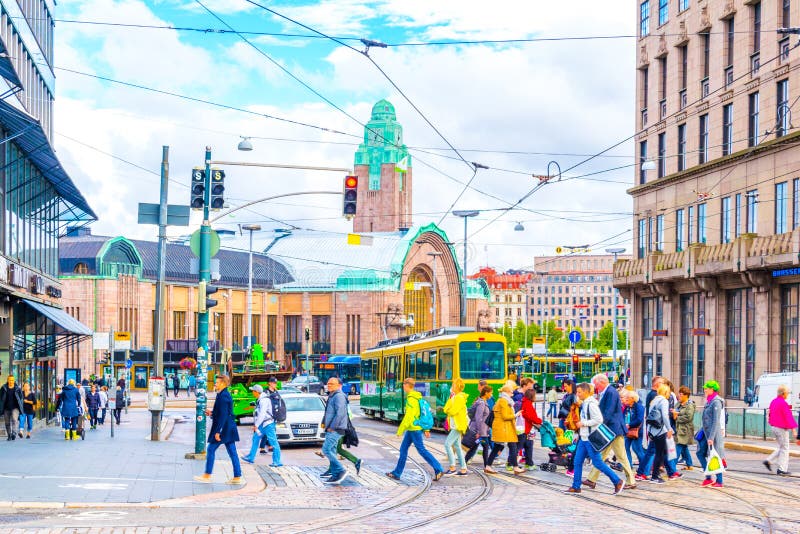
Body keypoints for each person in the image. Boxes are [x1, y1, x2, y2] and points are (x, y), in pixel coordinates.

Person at [564, 382, 624, 495]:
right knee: (577, 461)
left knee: (598, 463)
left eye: (579, 392)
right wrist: (580, 434)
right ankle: (576, 486)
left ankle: (617, 481)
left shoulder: (591, 404)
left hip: (590, 439)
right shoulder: (585, 403)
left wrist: (583, 424)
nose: (577, 394)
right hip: (584, 438)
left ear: (586, 392)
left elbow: (599, 419)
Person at [583, 374, 636, 490]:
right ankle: (591, 479)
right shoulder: (607, 392)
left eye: (596, 384)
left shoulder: (611, 392)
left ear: (602, 382)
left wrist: (599, 425)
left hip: (614, 430)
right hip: (610, 430)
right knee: (601, 456)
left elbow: (608, 412)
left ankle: (631, 481)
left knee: (621, 456)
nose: (596, 387)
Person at [386, 378, 444, 481]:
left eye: (404, 384)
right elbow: (421, 414)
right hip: (412, 429)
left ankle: (438, 468)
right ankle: (397, 473)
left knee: (421, 450)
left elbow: (409, 417)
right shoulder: (416, 397)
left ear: (408, 385)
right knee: (403, 449)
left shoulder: (411, 399)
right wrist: (426, 429)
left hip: (414, 429)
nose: (403, 386)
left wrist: (400, 430)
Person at [194, 375, 243, 485]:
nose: (215, 384)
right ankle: (237, 476)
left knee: (211, 449)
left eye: (217, 382)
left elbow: (224, 416)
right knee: (232, 452)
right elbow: (221, 413)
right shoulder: (222, 394)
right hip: (228, 428)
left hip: (224, 429)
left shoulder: (223, 396)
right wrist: (212, 413)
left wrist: (218, 432)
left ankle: (207, 475)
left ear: (223, 384)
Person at [641, 384, 678, 484]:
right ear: (666, 392)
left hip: (653, 430)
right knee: (659, 454)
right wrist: (669, 429)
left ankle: (666, 472)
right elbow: (665, 416)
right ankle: (655, 476)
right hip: (660, 431)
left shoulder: (654, 400)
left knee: (661, 452)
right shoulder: (664, 401)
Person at [487, 382, 524, 474]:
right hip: (503, 428)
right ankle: (515, 467)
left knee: (499, 446)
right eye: (511, 392)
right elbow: (505, 416)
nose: (512, 394)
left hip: (504, 427)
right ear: (507, 392)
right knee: (511, 445)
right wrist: (516, 415)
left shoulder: (504, 400)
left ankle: (488, 466)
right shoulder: (503, 401)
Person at [241, 384, 282, 467]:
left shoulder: (264, 400)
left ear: (256, 392)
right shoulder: (260, 399)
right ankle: (251, 457)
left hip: (268, 424)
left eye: (253, 391)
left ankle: (277, 461)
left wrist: (256, 425)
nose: (252, 392)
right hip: (263, 424)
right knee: (255, 438)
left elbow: (262, 414)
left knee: (273, 442)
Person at [696, 380, 725, 487]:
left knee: (715, 456)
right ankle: (708, 477)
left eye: (706, 388)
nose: (705, 390)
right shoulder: (709, 401)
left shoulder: (716, 402)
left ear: (712, 389)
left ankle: (719, 481)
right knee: (700, 453)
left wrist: (711, 437)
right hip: (705, 432)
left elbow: (715, 421)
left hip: (712, 434)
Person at [763, 384, 797, 476]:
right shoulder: (783, 403)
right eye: (787, 393)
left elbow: (769, 414)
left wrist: (771, 423)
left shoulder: (773, 401)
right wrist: (794, 430)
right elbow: (788, 416)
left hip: (774, 427)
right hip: (781, 428)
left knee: (782, 447)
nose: (788, 395)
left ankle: (768, 461)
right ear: (783, 393)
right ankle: (781, 469)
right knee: (785, 448)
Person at [321, 377, 349, 484]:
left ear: (338, 385)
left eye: (332, 384)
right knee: (331, 450)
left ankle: (341, 470)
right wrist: (324, 422)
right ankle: (335, 475)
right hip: (331, 428)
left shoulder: (339, 396)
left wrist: (332, 427)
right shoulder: (332, 395)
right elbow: (329, 412)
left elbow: (340, 414)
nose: (329, 385)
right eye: (328, 383)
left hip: (336, 429)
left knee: (326, 450)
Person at [464, 386, 494, 473]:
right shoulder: (481, 403)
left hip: (482, 430)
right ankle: (486, 466)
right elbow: (478, 418)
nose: (491, 395)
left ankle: (464, 464)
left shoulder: (483, 402)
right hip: (480, 431)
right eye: (490, 393)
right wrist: (478, 432)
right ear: (486, 393)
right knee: (484, 447)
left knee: (475, 448)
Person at [443, 378, 469, 475]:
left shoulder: (459, 398)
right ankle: (463, 468)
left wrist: (448, 411)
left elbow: (452, 411)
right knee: (457, 446)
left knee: (447, 444)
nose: (452, 387)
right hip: (455, 425)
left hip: (458, 425)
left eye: (453, 385)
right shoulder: (454, 397)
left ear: (457, 387)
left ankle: (452, 467)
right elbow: (446, 407)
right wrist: (448, 409)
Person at [673, 386, 696, 470]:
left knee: (678, 447)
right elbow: (674, 411)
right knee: (684, 447)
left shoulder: (690, 405)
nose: (679, 396)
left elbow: (689, 417)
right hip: (678, 428)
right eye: (679, 394)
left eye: (681, 394)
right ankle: (690, 464)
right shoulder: (678, 403)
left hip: (685, 430)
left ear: (686, 395)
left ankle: (672, 467)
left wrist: (677, 417)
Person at [621, 389, 645, 467]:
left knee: (637, 449)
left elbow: (639, 419)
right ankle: (628, 465)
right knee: (625, 447)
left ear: (633, 398)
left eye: (628, 397)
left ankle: (644, 466)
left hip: (636, 431)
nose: (626, 398)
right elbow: (623, 416)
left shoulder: (639, 407)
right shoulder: (627, 407)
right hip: (628, 431)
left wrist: (630, 425)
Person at [520, 388, 542, 471]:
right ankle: (528, 463)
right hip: (527, 429)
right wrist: (539, 421)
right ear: (532, 396)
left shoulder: (524, 402)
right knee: (527, 446)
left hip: (524, 428)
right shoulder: (528, 404)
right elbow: (531, 416)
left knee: (526, 445)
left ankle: (529, 463)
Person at [1, 376, 23, 441]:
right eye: (10, 380)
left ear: (14, 381)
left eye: (12, 380)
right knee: (7, 423)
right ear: (7, 380)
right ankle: (9, 435)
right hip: (6, 408)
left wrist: (21, 407)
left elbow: (21, 398)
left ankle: (14, 433)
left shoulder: (17, 389)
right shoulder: (4, 388)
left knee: (14, 420)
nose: (11, 381)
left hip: (15, 408)